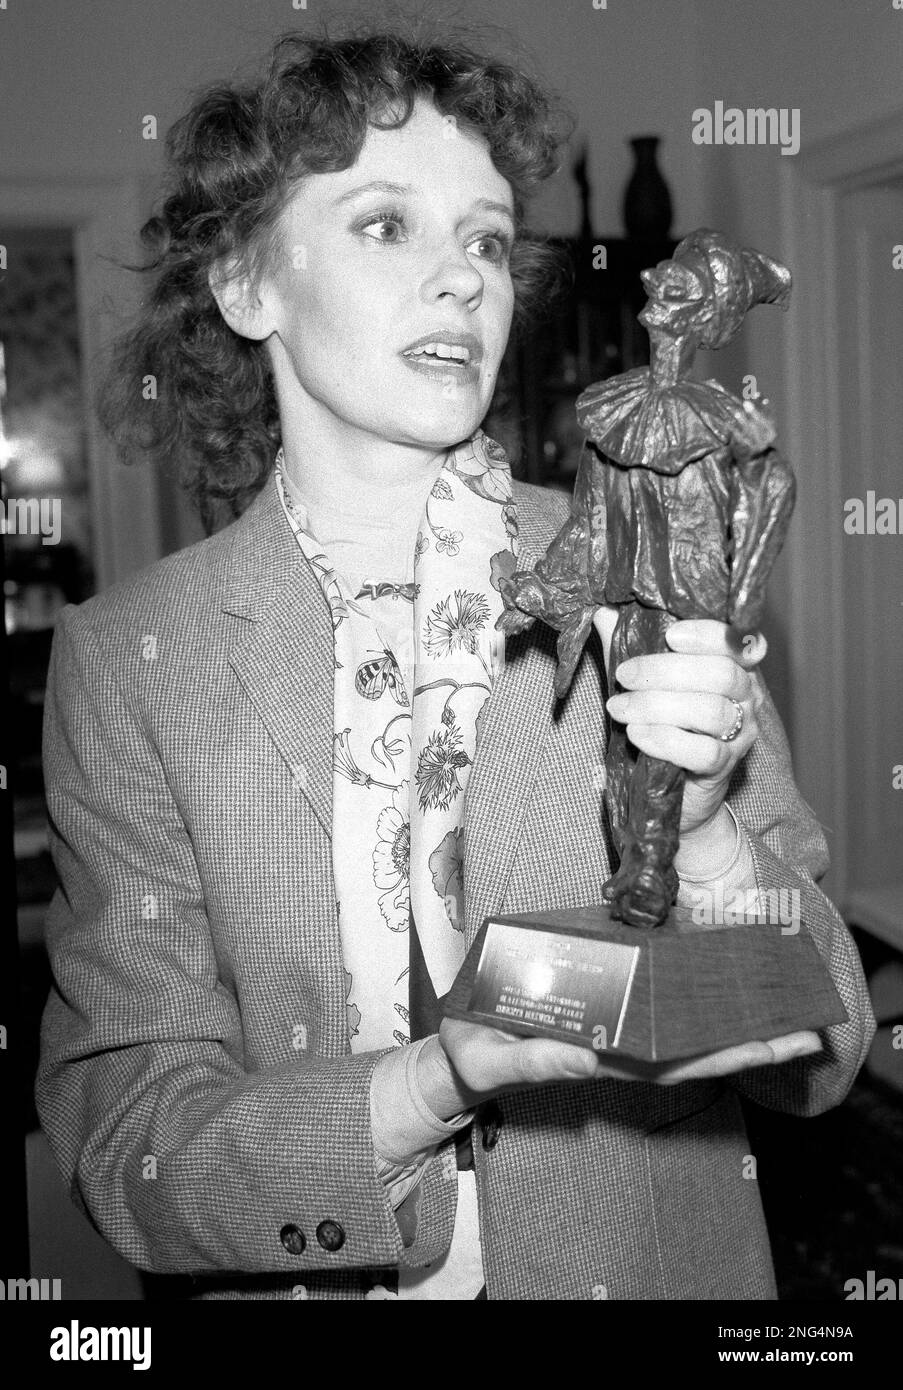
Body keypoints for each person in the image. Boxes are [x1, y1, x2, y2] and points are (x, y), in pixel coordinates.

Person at [36, 29, 874, 1301]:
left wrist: (706, 847)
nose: (463, 282)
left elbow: (828, 1049)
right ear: (249, 286)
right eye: (385, 225)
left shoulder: (638, 547)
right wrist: (436, 1079)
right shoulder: (131, 664)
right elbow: (128, 1143)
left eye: (486, 239)